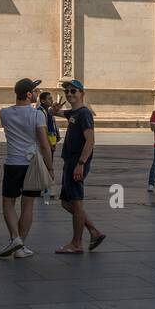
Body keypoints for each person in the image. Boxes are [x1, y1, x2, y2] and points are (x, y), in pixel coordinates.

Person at [0, 78, 52, 259]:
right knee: (27, 206)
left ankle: (15, 238)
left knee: (8, 203)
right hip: (32, 165)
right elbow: (44, 144)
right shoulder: (37, 115)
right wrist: (50, 168)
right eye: (35, 91)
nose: (37, 94)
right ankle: (20, 246)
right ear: (28, 94)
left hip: (13, 163)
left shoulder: (4, 113)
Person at [55, 80, 106, 254]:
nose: (69, 94)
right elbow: (55, 112)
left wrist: (81, 164)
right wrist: (53, 109)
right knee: (65, 203)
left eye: (73, 91)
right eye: (67, 91)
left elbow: (90, 140)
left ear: (82, 93)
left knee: (77, 205)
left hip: (77, 163)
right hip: (70, 162)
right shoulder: (74, 113)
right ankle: (94, 231)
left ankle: (77, 244)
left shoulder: (84, 114)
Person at [37, 91, 60, 203]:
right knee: (46, 165)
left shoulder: (47, 110)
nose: (51, 100)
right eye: (49, 99)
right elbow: (44, 129)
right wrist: (50, 143)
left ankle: (46, 188)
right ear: (42, 101)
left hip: (51, 141)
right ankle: (45, 189)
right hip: (46, 142)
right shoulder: (40, 111)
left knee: (47, 164)